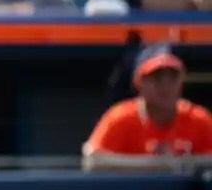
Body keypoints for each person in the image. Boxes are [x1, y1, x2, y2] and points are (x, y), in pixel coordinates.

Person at [83, 45, 212, 168]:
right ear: (139, 83)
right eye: (157, 78)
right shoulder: (120, 117)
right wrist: (155, 165)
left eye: (172, 78)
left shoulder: (198, 119)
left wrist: (180, 164)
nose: (165, 86)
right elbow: (93, 161)